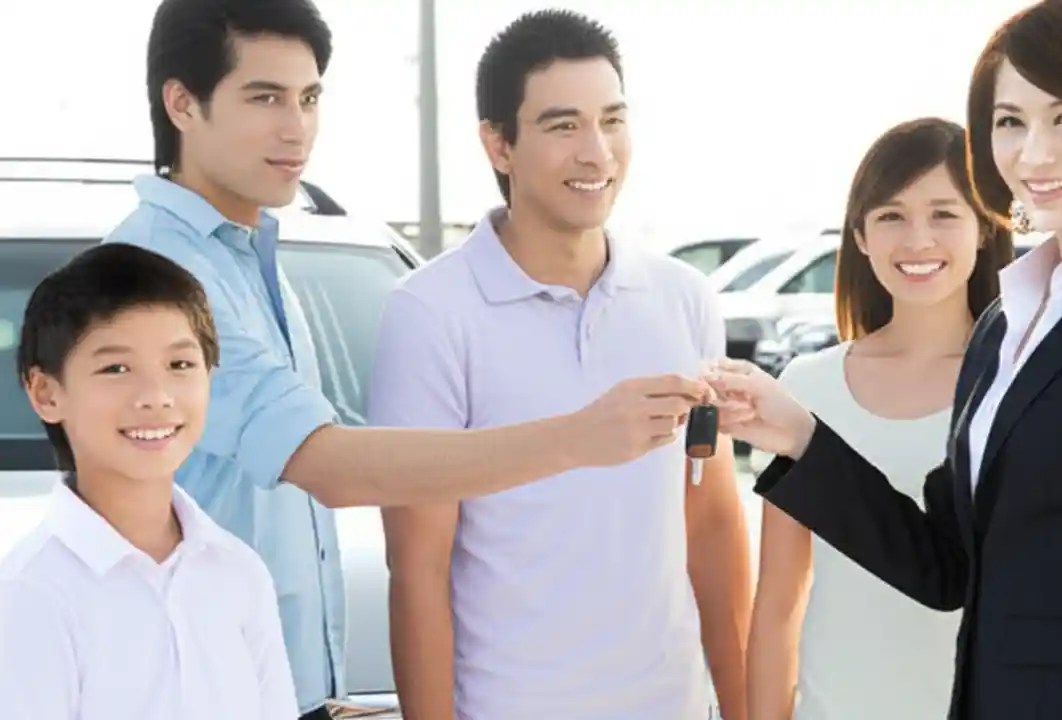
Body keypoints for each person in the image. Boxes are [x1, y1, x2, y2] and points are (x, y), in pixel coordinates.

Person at [106, 2, 710, 718]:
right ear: (183, 103)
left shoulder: (253, 260)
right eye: (265, 98)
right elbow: (329, 466)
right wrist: (580, 437)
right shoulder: (160, 274)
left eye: (309, 98)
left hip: (276, 689)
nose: (296, 128)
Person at [709, 2, 1062, 719]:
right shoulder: (1008, 324)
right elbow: (946, 562)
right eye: (1010, 122)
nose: (1034, 153)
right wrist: (800, 436)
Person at [366, 10, 752, 720]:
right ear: (499, 143)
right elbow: (418, 570)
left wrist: (746, 709)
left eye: (612, 120)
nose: (597, 152)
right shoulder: (430, 313)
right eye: (562, 125)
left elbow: (713, 526)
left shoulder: (683, 300)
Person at [747, 118, 1012, 719]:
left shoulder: (1019, 384)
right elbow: (779, 602)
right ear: (861, 235)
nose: (917, 239)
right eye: (891, 215)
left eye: (944, 213)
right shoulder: (805, 387)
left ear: (983, 227)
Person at [1, 244, 296, 720]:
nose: (156, 397)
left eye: (180, 365)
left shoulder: (238, 572)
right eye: (116, 369)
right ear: (46, 393)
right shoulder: (31, 593)